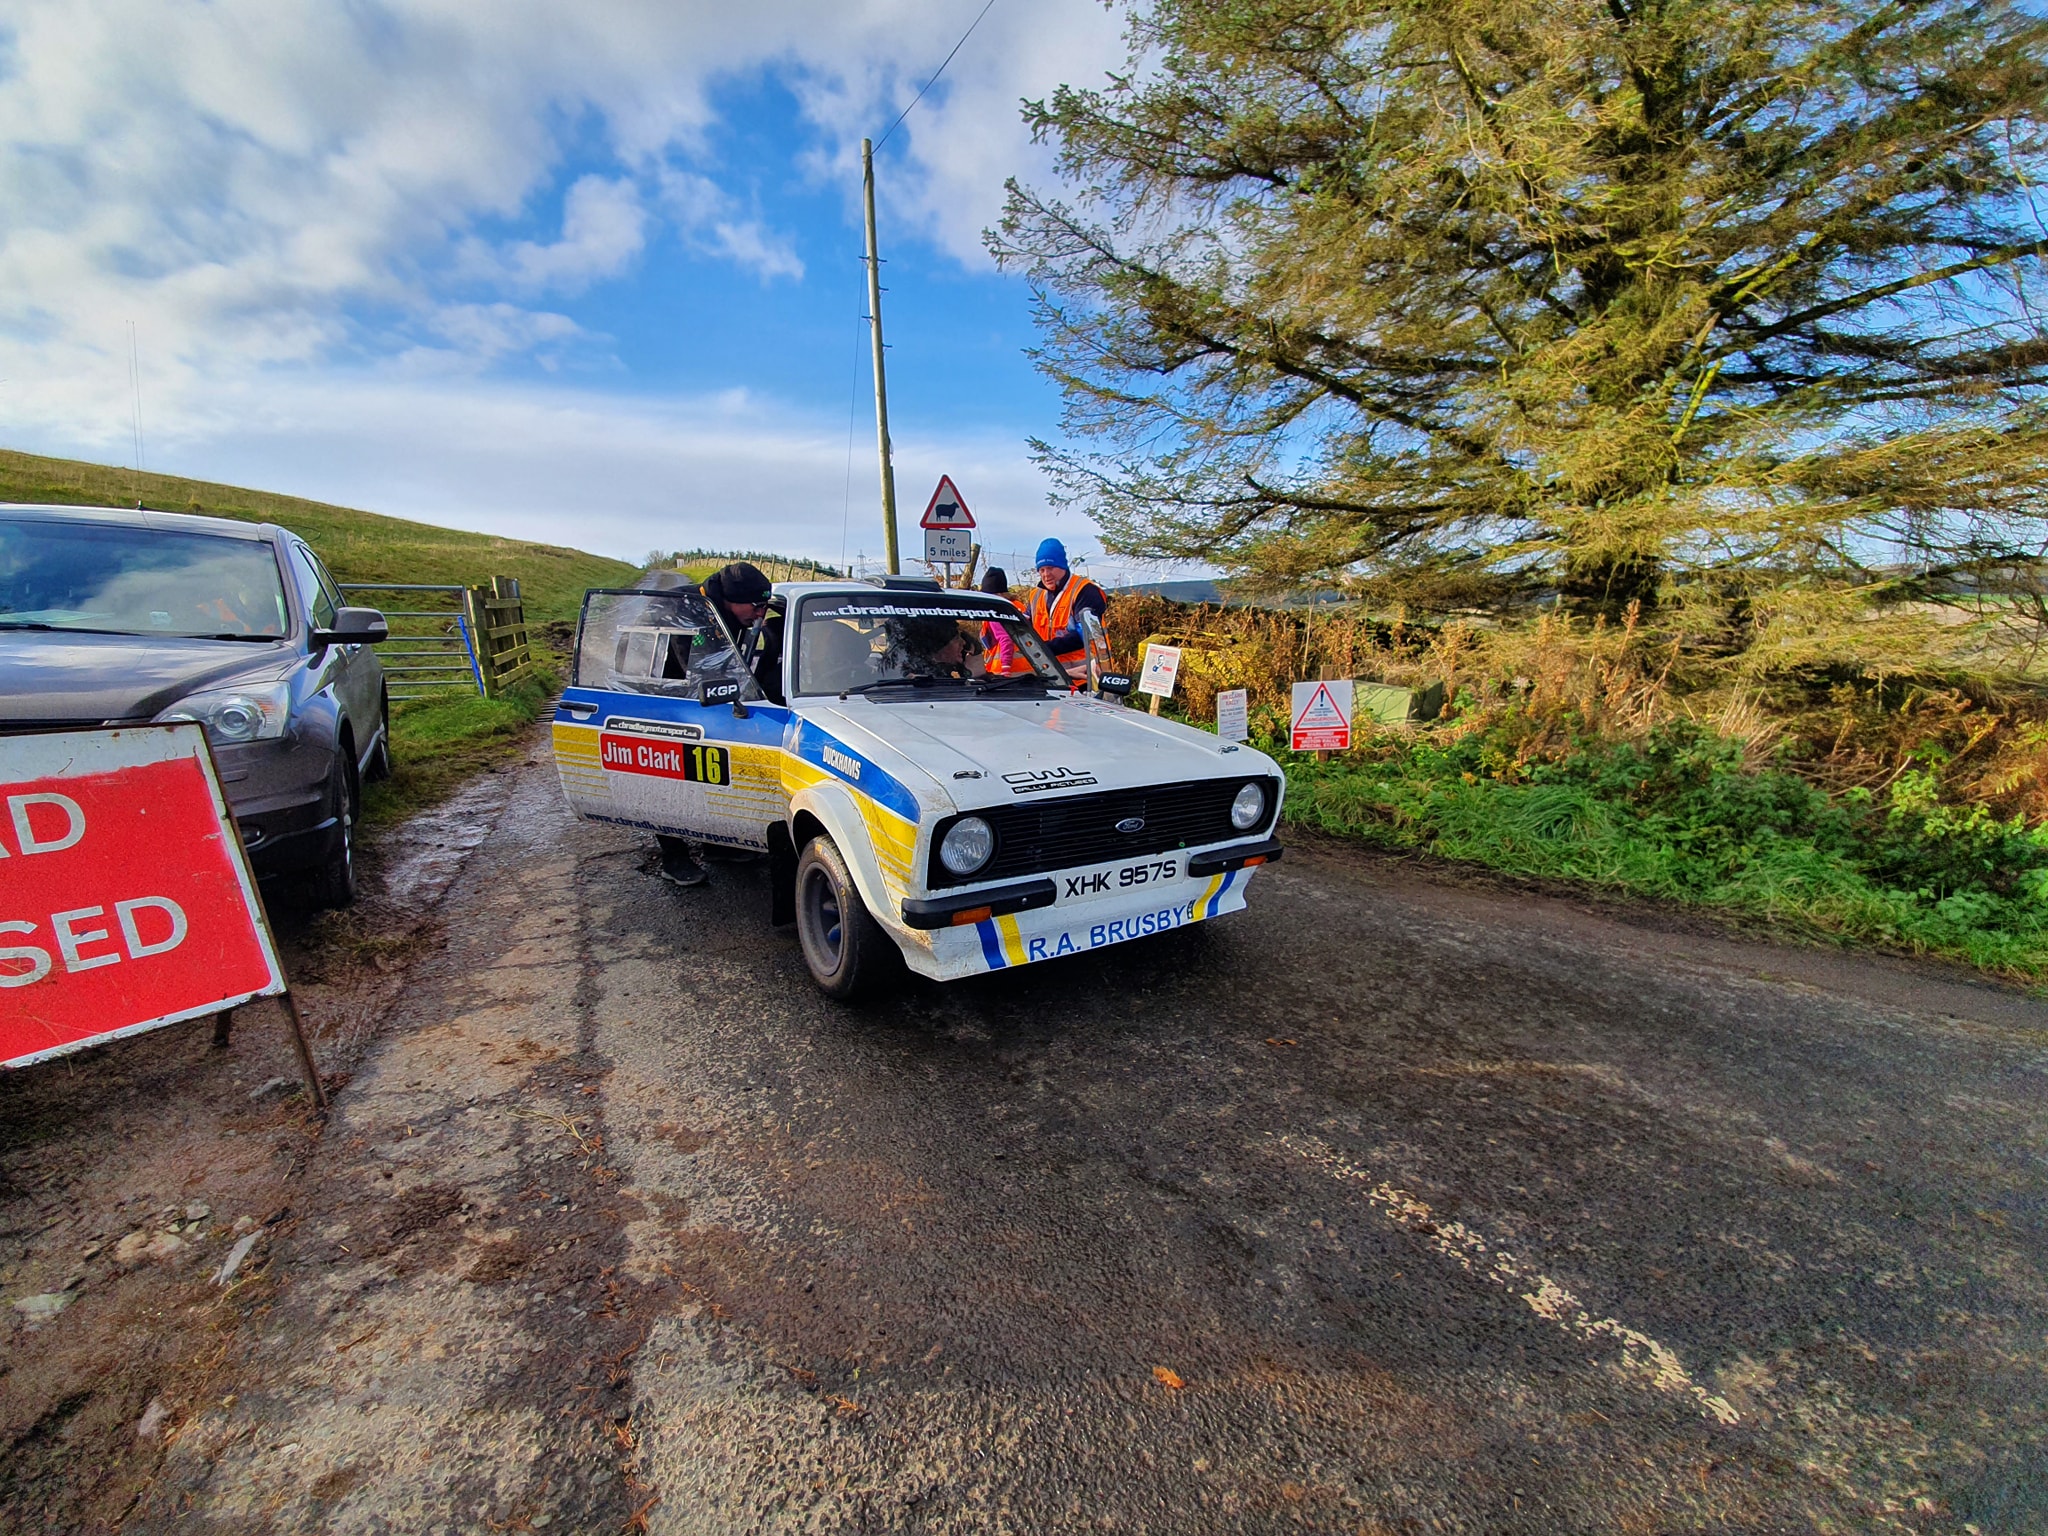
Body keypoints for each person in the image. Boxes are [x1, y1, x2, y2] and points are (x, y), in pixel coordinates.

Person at [658, 561, 783, 890]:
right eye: (756, 606)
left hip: (709, 697)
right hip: (666, 700)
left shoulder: (730, 612)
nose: (760, 614)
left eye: (765, 607)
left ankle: (717, 845)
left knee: (714, 770)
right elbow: (691, 672)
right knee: (675, 776)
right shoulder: (686, 613)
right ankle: (673, 856)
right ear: (731, 598)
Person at [1023, 539, 1105, 683]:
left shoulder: (1085, 591)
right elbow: (1024, 627)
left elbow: (1085, 635)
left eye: (1050, 568)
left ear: (1063, 566)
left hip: (1085, 678)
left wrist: (1044, 649)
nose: (1046, 574)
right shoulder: (1035, 596)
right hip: (1049, 677)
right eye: (1041, 570)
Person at [977, 566, 1033, 676]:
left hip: (1006, 671)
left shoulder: (996, 609)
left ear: (996, 595)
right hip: (1028, 667)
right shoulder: (1017, 607)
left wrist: (1005, 668)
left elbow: (1005, 638)